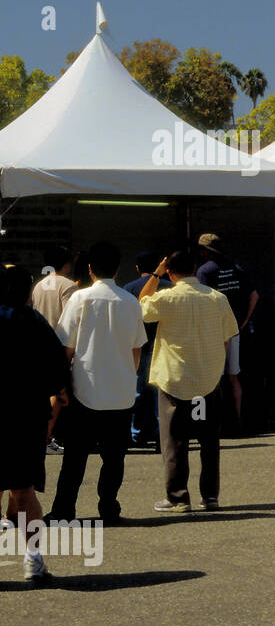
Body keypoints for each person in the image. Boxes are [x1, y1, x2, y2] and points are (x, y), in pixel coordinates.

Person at [49, 242, 146, 524]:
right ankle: (109, 508)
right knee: (114, 458)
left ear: (90, 269)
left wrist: (61, 383)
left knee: (75, 458)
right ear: (117, 268)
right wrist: (127, 374)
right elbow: (136, 350)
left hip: (85, 389)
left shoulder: (79, 300)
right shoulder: (130, 302)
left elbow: (64, 348)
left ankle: (64, 511)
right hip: (121, 392)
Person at [138, 249, 239, 513]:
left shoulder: (166, 297)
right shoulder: (217, 298)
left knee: (174, 441)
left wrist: (155, 274)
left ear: (169, 272)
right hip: (207, 378)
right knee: (208, 441)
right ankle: (211, 496)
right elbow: (228, 335)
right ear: (195, 268)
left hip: (174, 378)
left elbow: (141, 305)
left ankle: (178, 497)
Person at [0, 265, 70, 581]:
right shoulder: (34, 322)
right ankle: (33, 560)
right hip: (25, 417)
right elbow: (58, 373)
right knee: (24, 490)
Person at [196, 233, 259, 433]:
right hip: (235, 332)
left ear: (205, 251)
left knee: (213, 378)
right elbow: (254, 296)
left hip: (214, 332)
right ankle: (238, 422)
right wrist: (244, 321)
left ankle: (216, 425)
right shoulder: (237, 268)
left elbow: (202, 300)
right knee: (234, 378)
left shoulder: (204, 271)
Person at [123, 250, 171, 449]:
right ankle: (160, 435)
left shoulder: (129, 288)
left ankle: (136, 433)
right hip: (163, 347)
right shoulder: (169, 287)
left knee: (137, 392)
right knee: (160, 393)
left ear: (137, 268)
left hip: (138, 347)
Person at [31, 246, 78, 326]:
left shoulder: (38, 286)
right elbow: (71, 319)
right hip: (60, 337)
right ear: (66, 264)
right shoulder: (69, 286)